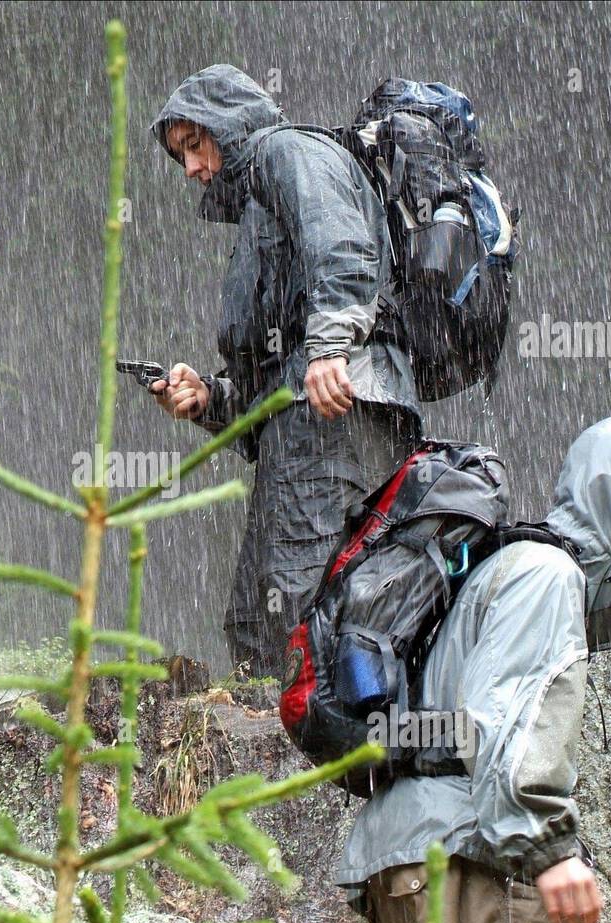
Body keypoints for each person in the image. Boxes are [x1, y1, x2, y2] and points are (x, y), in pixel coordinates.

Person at [334, 415, 611, 923]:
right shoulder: (547, 575)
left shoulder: (506, 565)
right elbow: (500, 722)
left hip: (416, 854)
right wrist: (548, 849)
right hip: (474, 863)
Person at [147, 64, 422, 678]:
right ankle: (276, 748)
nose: (191, 168)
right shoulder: (256, 206)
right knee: (256, 616)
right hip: (301, 420)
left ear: (232, 122)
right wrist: (209, 397)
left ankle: (298, 764)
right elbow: (271, 373)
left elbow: (342, 247)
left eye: (196, 144)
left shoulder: (287, 152)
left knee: (289, 613)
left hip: (334, 412)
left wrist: (329, 348)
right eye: (180, 155)